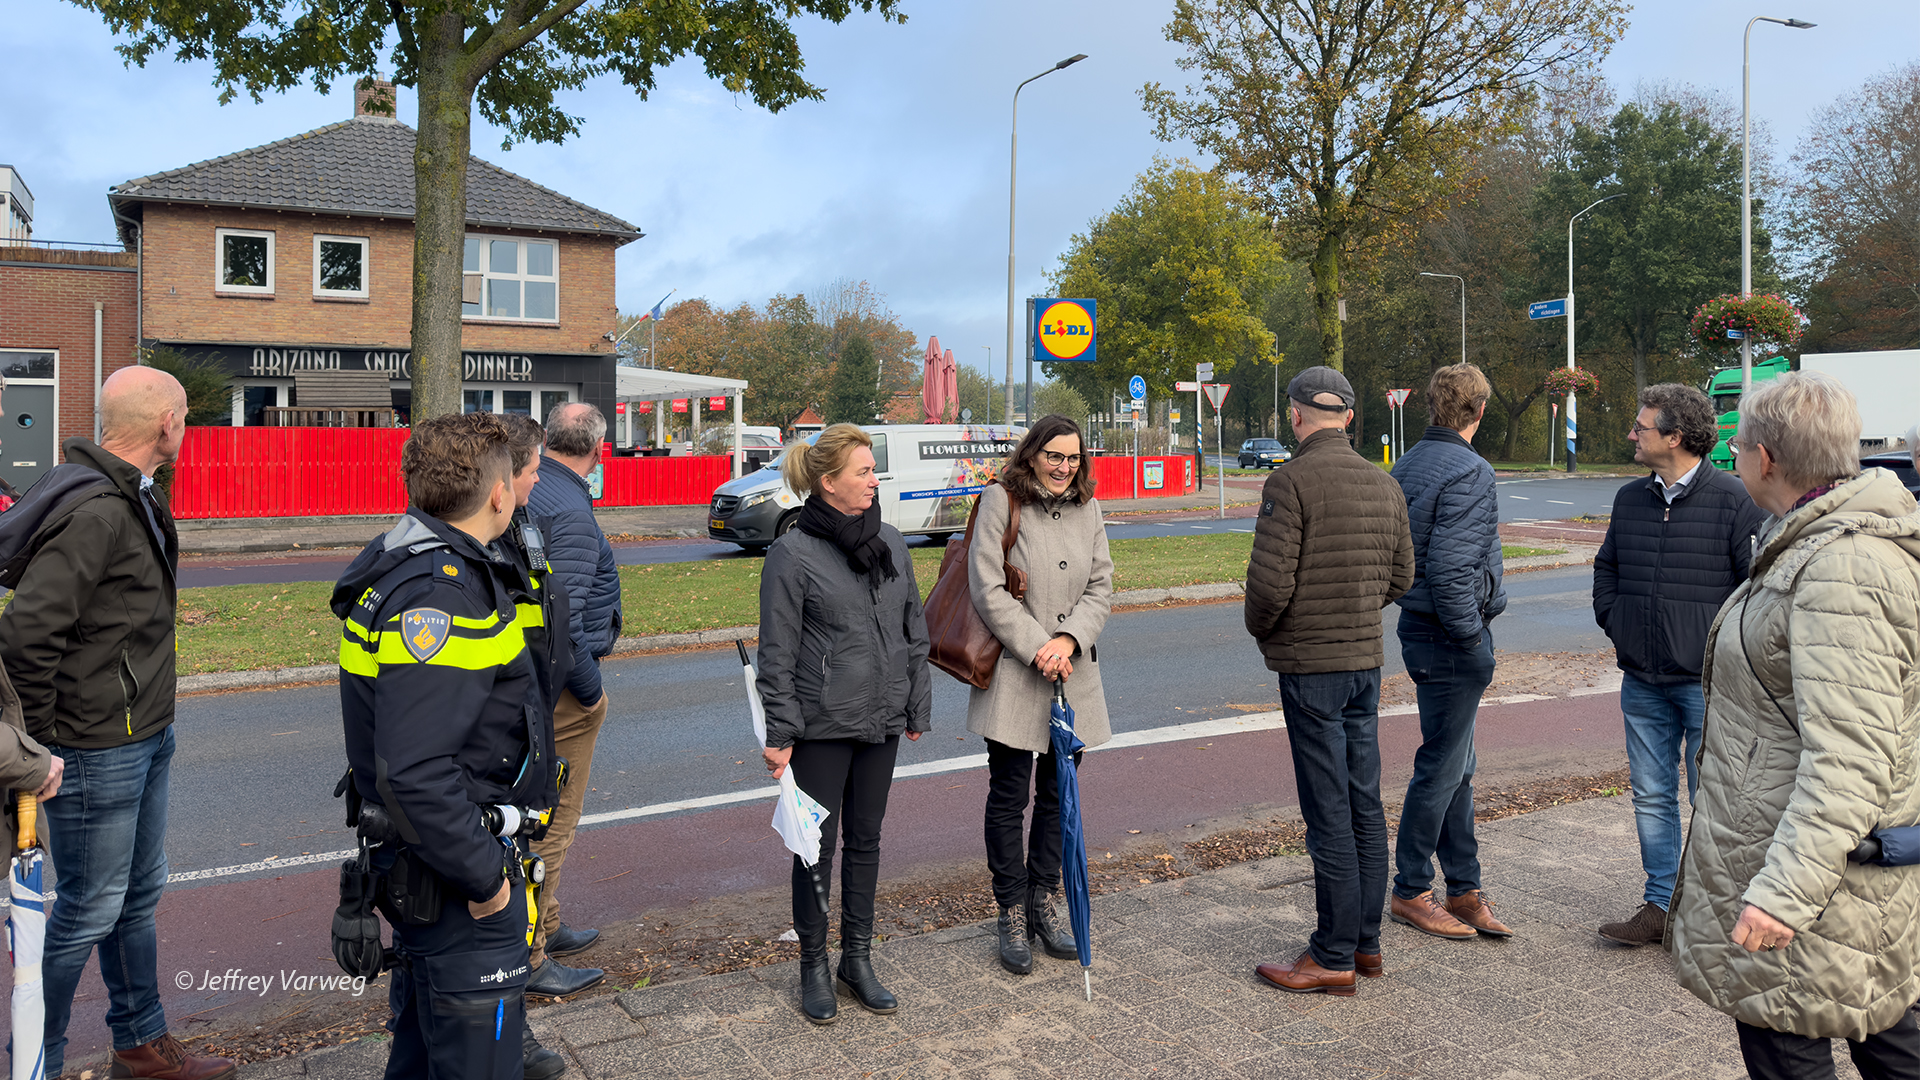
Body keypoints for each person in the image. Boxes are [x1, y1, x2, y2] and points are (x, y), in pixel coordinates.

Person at [1670, 371, 1920, 1079]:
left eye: (1738, 445)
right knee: (1885, 1026)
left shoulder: (1842, 565)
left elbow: (1850, 755)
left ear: (1766, 459)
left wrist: (1784, 894)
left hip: (1808, 869)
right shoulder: (1810, 540)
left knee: (1798, 1039)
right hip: (1817, 858)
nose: (1735, 457)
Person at [0, 366, 237, 1080]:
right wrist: (37, 747)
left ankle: (140, 1041)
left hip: (142, 732)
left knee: (136, 896)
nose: (187, 428)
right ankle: (37, 1060)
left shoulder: (129, 493)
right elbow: (27, 635)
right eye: (185, 416)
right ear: (165, 424)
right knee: (88, 907)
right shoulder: (100, 509)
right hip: (96, 745)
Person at [332, 412, 557, 1080]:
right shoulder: (441, 594)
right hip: (457, 874)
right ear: (497, 494)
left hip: (431, 861)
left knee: (424, 1048)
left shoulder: (413, 564)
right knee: (474, 1059)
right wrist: (487, 879)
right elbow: (416, 771)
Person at [1244, 367, 1414, 996]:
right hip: (1364, 662)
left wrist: (1268, 633)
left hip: (1310, 665)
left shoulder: (1288, 481)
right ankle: (1365, 944)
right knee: (1363, 803)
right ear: (1348, 415)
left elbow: (1268, 588)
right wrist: (1358, 606)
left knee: (1328, 814)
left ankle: (1333, 953)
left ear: (1294, 416)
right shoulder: (1382, 483)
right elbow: (1402, 576)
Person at [756, 423, 932, 1025]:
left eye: (872, 469)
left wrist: (916, 706)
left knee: (867, 841)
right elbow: (775, 653)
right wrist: (780, 736)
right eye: (862, 470)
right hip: (822, 726)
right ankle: (813, 962)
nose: (873, 479)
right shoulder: (793, 552)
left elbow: (915, 628)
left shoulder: (888, 539)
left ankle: (857, 960)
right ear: (829, 482)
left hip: (882, 718)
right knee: (815, 849)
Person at [1592, 384, 1765, 947]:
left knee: (1711, 795)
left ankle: (1715, 911)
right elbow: (1607, 568)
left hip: (1705, 685)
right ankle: (1660, 904)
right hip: (1641, 678)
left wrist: (1715, 651)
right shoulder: (1629, 499)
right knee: (1650, 794)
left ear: (1675, 437)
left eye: (1641, 427)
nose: (1632, 435)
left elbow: (1754, 591)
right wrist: (1617, 621)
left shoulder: (1735, 501)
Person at [965, 415, 1114, 976]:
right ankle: (1009, 907)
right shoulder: (1001, 500)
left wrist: (1070, 639)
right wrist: (1039, 646)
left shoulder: (1089, 506)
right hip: (1016, 670)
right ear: (1032, 455)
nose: (1063, 467)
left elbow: (1102, 583)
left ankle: (1043, 901)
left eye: (1073, 458)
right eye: (1054, 456)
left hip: (1074, 673)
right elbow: (987, 586)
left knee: (1059, 796)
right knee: (1009, 796)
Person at [1387, 362, 1511, 942]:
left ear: (1430, 406)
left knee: (1458, 763)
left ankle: (1463, 887)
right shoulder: (1471, 470)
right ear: (1479, 411)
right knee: (1442, 765)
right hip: (1450, 636)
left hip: (1418, 628)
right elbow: (1454, 566)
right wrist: (1471, 638)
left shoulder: (1406, 465)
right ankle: (1411, 889)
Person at [521, 403, 622, 999]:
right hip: (563, 691)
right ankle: (531, 951)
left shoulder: (536, 491)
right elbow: (569, 624)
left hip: (533, 683)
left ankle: (548, 923)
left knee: (540, 813)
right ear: (598, 448)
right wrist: (591, 692)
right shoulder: (572, 509)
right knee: (554, 818)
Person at [499, 414, 571, 1080]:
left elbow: (546, 628)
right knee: (493, 902)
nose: (539, 476)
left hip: (530, 736)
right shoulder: (483, 552)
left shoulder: (521, 530)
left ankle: (508, 1030)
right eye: (532, 467)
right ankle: (505, 1037)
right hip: (502, 757)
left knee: (520, 885)